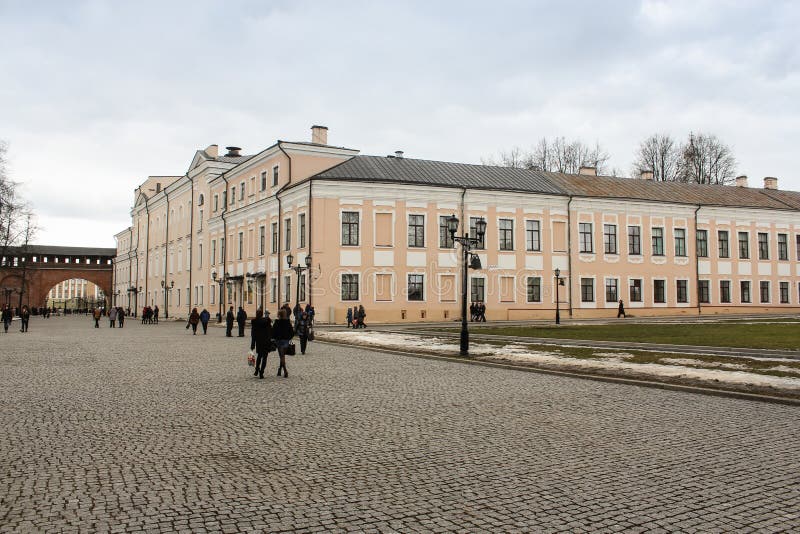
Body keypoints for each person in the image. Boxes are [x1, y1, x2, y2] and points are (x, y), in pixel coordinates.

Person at [250, 308, 272, 379]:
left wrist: (253, 344)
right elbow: (270, 331)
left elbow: (253, 334)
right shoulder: (267, 321)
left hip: (259, 341)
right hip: (266, 341)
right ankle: (261, 373)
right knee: (265, 357)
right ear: (262, 314)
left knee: (259, 356)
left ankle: (257, 370)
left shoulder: (254, 321)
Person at [272, 309, 294, 378]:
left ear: (279, 315)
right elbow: (292, 332)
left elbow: (273, 332)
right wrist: (289, 337)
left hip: (278, 341)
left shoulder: (276, 322)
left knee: (281, 356)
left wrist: (274, 338)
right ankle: (281, 370)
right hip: (285, 341)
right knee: (282, 356)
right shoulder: (287, 322)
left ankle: (284, 370)